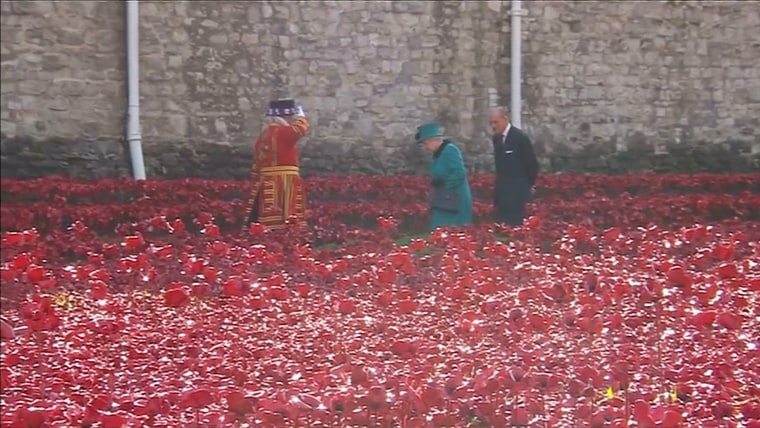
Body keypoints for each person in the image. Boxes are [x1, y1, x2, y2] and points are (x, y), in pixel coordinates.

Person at [243, 99, 309, 230]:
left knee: (268, 215)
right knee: (285, 217)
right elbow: (300, 129)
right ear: (287, 116)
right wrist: (301, 117)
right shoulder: (282, 132)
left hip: (266, 181)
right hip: (284, 182)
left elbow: (256, 166)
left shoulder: (264, 135)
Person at [416, 121, 473, 230]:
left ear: (433, 140)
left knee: (452, 233)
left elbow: (459, 173)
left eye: (425, 143)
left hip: (454, 200)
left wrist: (445, 183)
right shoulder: (438, 154)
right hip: (444, 199)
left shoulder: (450, 150)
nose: (425, 147)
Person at [489, 108, 539, 226]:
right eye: (491, 123)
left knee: (515, 224)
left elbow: (532, 165)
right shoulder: (496, 139)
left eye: (496, 122)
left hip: (517, 191)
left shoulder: (519, 138)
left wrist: (525, 186)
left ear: (505, 119)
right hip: (502, 191)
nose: (493, 126)